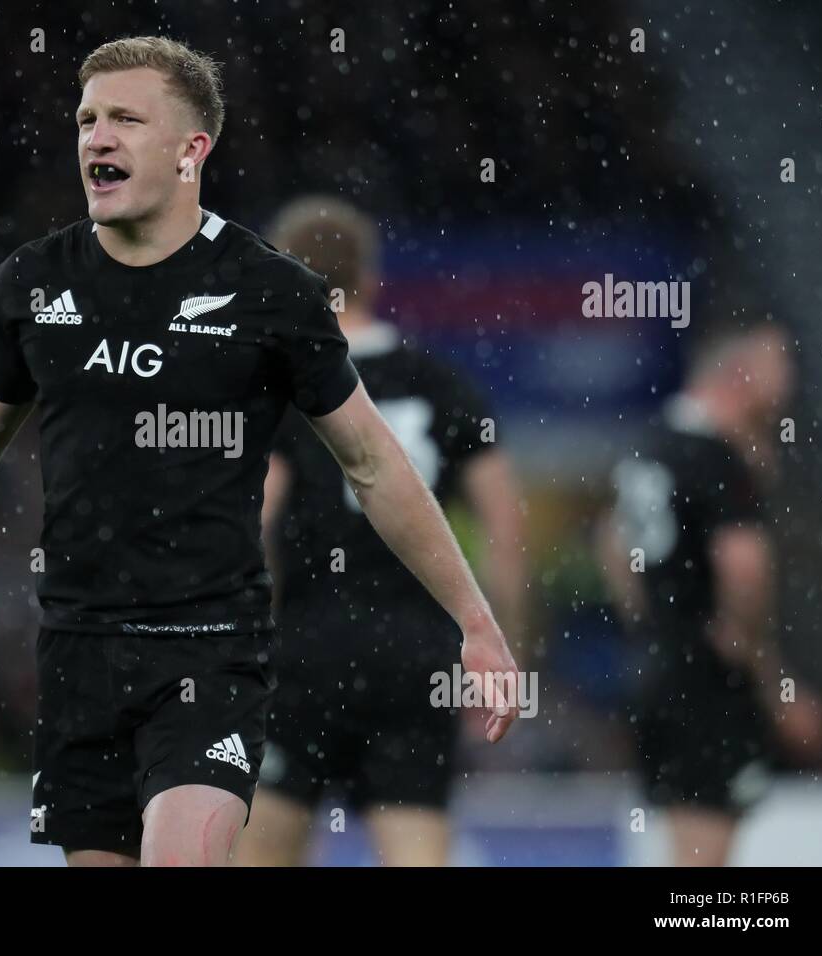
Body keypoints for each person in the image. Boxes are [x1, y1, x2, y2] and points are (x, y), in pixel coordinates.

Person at [0, 36, 520, 867]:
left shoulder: (271, 293)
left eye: (127, 118)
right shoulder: (34, 282)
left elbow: (375, 464)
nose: (98, 137)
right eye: (88, 119)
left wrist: (475, 620)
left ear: (192, 148)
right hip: (77, 650)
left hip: (209, 650)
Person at [233, 196, 527, 866]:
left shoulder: (282, 388)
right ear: (369, 277)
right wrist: (505, 648)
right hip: (416, 652)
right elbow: (506, 528)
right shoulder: (441, 383)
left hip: (306, 646)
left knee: (261, 851)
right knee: (416, 842)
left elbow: (257, 527)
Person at [596, 323, 822, 866]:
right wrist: (765, 671)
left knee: (687, 847)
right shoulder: (715, 457)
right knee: (707, 862)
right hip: (707, 678)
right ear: (741, 376)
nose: (788, 388)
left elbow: (612, 542)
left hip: (657, 669)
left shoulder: (651, 445)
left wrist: (653, 621)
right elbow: (744, 566)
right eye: (779, 370)